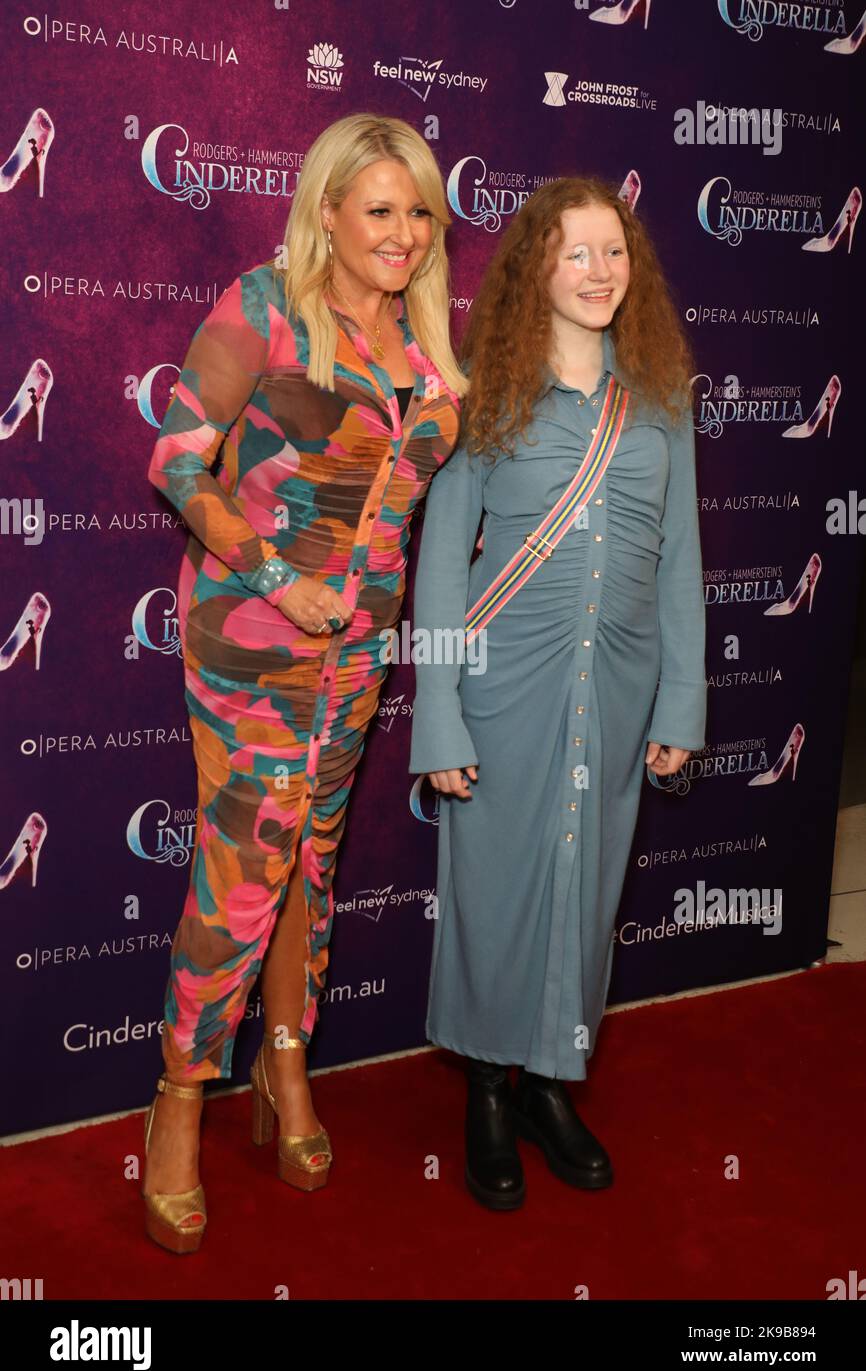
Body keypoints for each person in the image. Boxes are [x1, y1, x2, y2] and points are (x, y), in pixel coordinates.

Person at [141, 112, 466, 1253]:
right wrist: (281, 577)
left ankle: (285, 1068)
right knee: (243, 866)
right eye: (379, 208)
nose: (403, 232)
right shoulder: (265, 304)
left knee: (310, 862)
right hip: (253, 638)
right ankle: (180, 1096)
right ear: (325, 209)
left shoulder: (427, 346)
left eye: (418, 210)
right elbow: (176, 458)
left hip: (357, 653)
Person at [408, 175, 706, 1210]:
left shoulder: (660, 399)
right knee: (494, 896)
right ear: (535, 265)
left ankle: (547, 1084)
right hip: (501, 692)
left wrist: (680, 705)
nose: (597, 271)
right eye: (574, 252)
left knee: (584, 902)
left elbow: (678, 564)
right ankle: (485, 1089)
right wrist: (435, 710)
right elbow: (440, 565)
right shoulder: (484, 393)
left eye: (613, 252)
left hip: (617, 697)